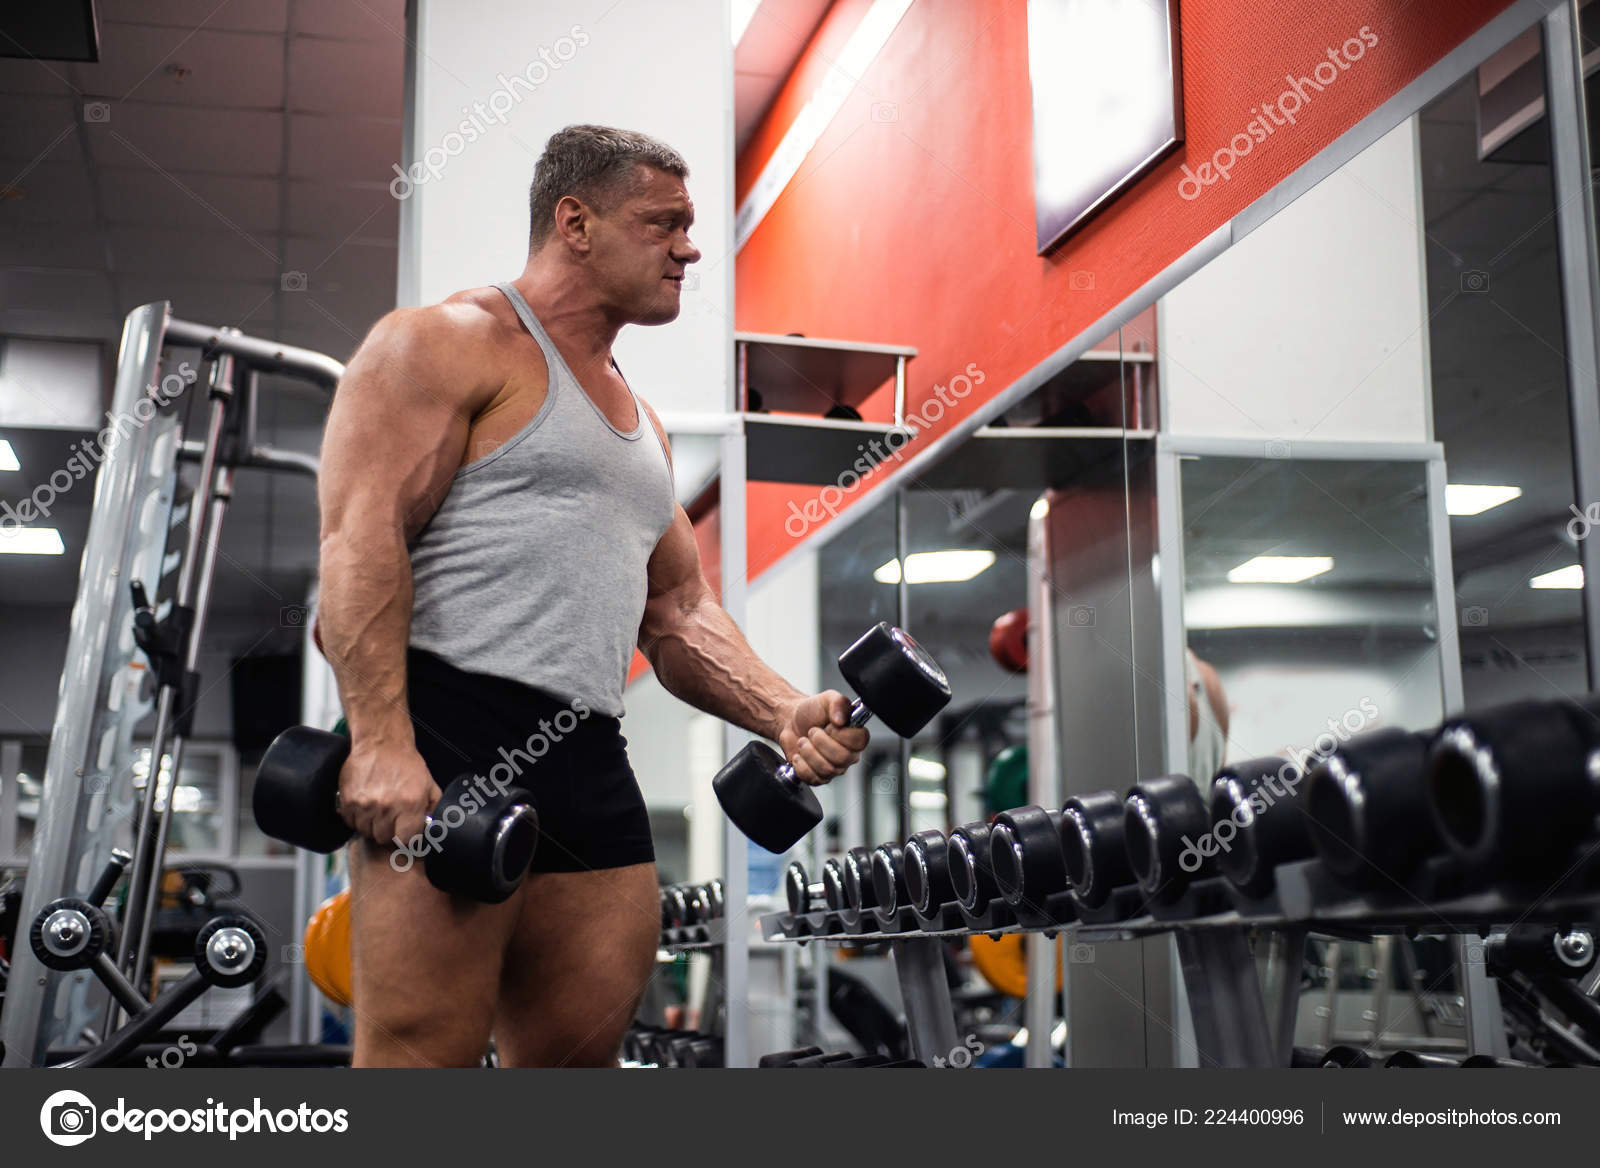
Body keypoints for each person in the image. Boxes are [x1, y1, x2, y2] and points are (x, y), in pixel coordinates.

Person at [316, 125, 868, 1067]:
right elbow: (361, 545)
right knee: (418, 1056)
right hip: (451, 735)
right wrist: (378, 742)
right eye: (666, 223)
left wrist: (783, 710)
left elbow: (679, 614)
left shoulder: (639, 420)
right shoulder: (442, 345)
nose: (690, 248)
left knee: (578, 1061)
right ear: (575, 222)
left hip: (588, 752)